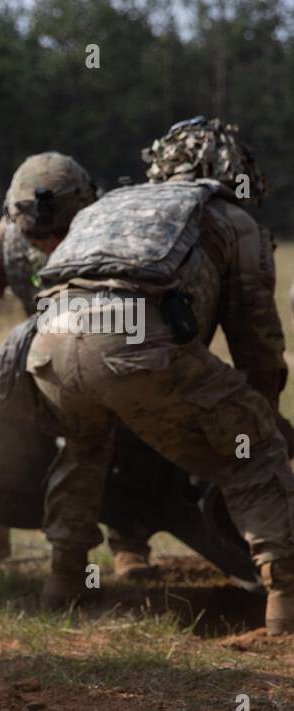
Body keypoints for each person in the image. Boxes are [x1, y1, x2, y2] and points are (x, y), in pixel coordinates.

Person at [27, 117, 294, 633]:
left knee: (84, 447)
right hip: (132, 342)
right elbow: (256, 342)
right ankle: (285, 600)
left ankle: (62, 582)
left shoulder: (107, 206)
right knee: (253, 444)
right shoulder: (230, 220)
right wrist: (261, 417)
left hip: (49, 346)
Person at [0, 154, 157, 577]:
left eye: (60, 232)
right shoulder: (2, 243)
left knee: (122, 440)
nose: (48, 243)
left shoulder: (120, 234)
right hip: (42, 359)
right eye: (36, 234)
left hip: (115, 360)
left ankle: (128, 541)